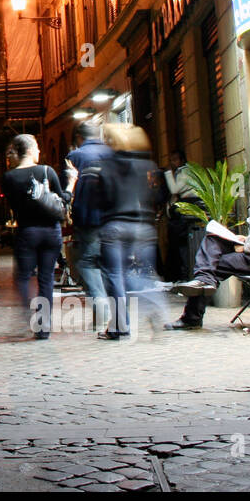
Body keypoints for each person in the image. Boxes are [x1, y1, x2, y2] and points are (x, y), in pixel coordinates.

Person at [168, 169, 250, 329]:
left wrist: (246, 247)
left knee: (214, 265)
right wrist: (245, 239)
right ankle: (204, 282)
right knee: (213, 238)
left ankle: (192, 315)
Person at [91, 123, 165, 340]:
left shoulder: (106, 166)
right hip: (142, 227)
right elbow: (157, 195)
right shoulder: (147, 165)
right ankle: (154, 306)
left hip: (114, 226)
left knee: (115, 276)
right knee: (142, 274)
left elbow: (99, 199)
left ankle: (119, 326)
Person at [1, 134, 73, 339]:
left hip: (27, 231)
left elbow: (13, 206)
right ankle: (43, 326)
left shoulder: (9, 177)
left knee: (23, 277)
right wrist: (71, 183)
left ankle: (28, 313)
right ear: (32, 150)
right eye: (38, 148)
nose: (40, 152)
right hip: (51, 231)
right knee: (46, 278)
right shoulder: (46, 171)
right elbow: (64, 200)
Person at [66, 122, 113, 317]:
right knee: (109, 262)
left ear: (79, 137)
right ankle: (115, 307)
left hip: (88, 218)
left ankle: (101, 304)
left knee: (87, 261)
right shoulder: (112, 154)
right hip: (113, 217)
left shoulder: (74, 157)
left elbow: (68, 187)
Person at [163, 150, 205, 282]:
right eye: (171, 160)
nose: (172, 163)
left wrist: (168, 173)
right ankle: (184, 273)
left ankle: (185, 274)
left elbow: (175, 189)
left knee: (181, 243)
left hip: (187, 212)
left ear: (181, 160)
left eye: (175, 159)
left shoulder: (185, 172)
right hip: (187, 211)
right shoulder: (184, 171)